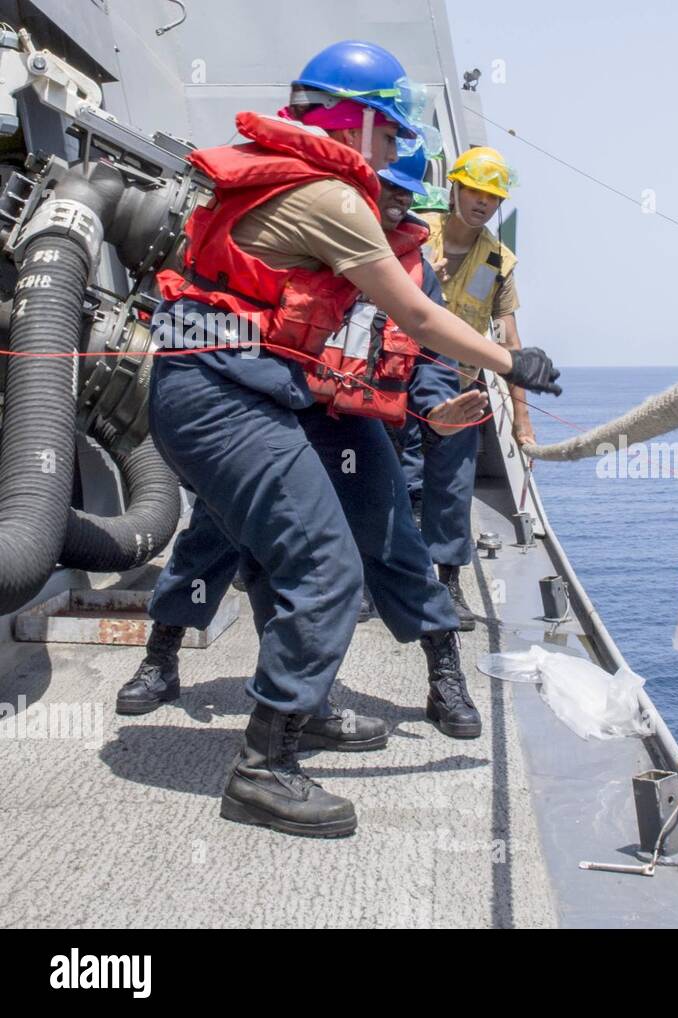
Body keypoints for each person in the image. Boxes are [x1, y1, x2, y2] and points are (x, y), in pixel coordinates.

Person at [144, 40, 560, 839]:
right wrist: (516, 362)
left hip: (266, 393)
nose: (400, 164)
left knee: (339, 549)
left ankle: (318, 707)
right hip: (231, 395)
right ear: (361, 125)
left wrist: (423, 412)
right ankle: (263, 766)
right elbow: (418, 321)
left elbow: (390, 350)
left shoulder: (307, 192)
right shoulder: (333, 201)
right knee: (317, 563)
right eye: (395, 137)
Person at [117, 148, 484, 751]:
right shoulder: (303, 227)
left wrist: (437, 414)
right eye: (383, 188)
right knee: (211, 535)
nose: (393, 202)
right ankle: (162, 657)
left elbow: (430, 355)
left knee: (396, 544)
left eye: (404, 194)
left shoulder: (416, 273)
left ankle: (444, 674)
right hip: (268, 413)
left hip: (352, 425)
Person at [393, 146, 530, 630]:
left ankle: (448, 583)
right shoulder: (412, 231)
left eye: (492, 197)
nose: (482, 203)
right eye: (474, 190)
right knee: (395, 477)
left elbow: (509, 338)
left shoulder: (499, 260)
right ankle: (386, 579)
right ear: (454, 187)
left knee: (452, 486)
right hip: (397, 374)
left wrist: (523, 425)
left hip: (460, 384)